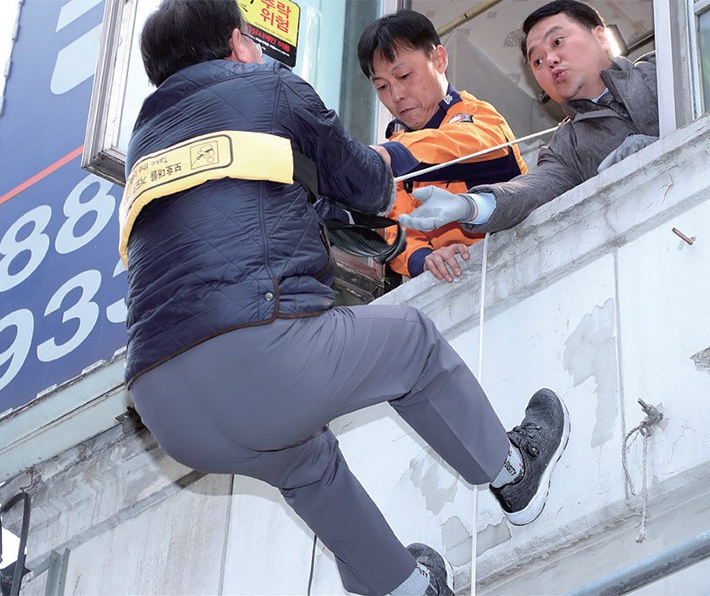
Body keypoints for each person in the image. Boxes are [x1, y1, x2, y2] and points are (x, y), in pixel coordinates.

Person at [120, 2, 569, 595]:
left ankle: (404, 586)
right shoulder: (268, 84)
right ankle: (512, 473)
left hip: (165, 410)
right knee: (410, 342)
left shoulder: (142, 145)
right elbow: (367, 185)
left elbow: (278, 205)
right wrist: (374, 184)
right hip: (259, 351)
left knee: (304, 464)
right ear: (239, 43)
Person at [398, 0, 659, 283]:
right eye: (537, 61)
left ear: (600, 37)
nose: (550, 60)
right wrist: (469, 205)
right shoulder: (566, 147)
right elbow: (530, 189)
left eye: (558, 41)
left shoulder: (663, 65)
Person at [359, 9, 529, 281]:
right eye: (382, 87)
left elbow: (472, 146)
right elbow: (395, 227)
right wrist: (424, 259)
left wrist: (388, 156)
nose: (396, 95)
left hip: (518, 266)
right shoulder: (396, 147)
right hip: (447, 287)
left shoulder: (479, 118)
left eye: (404, 76)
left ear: (439, 59)